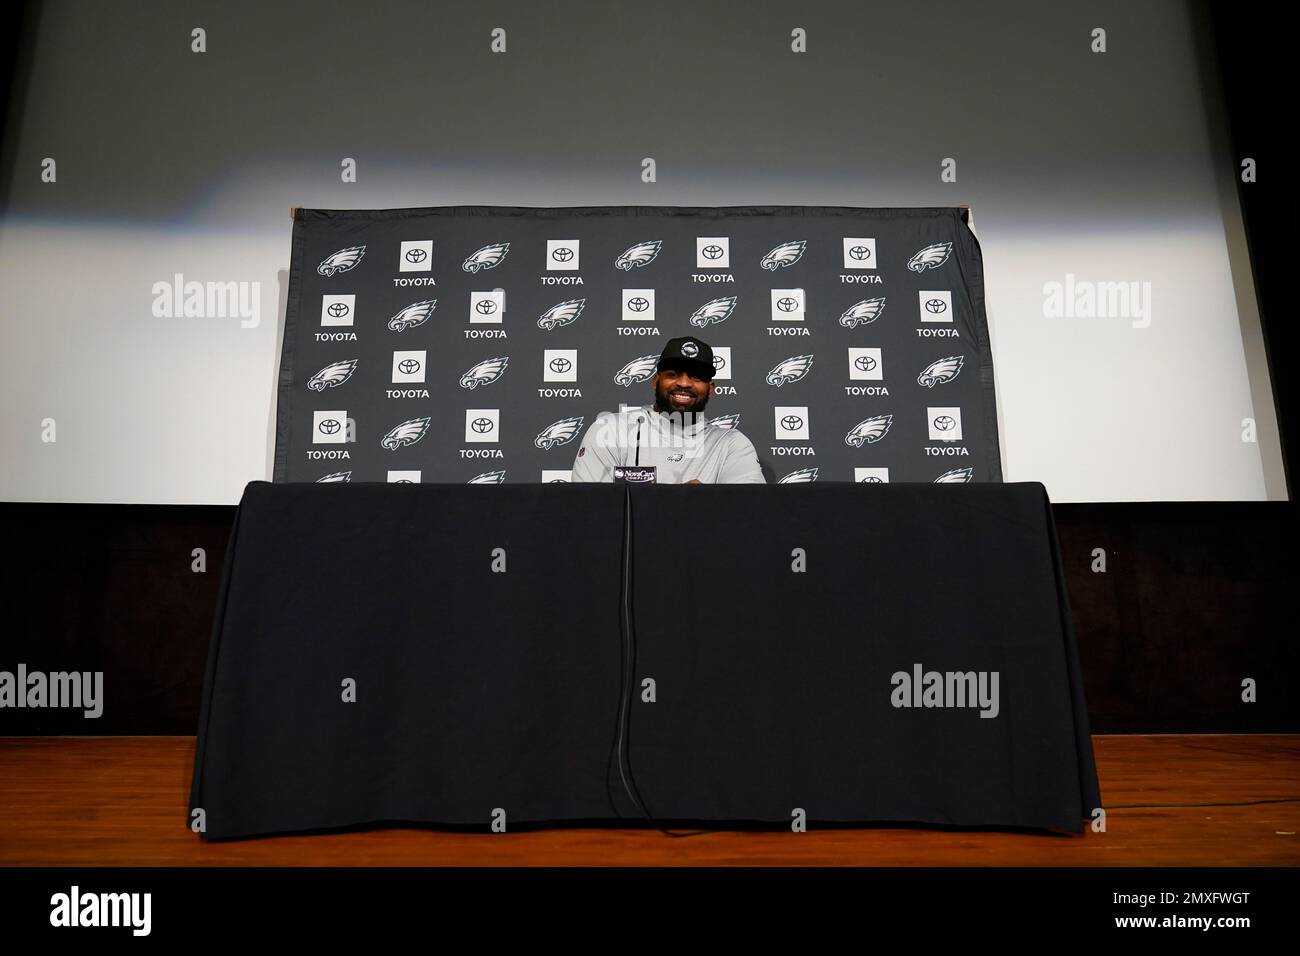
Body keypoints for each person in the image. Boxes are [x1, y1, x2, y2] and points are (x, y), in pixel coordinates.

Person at [570, 336, 765, 484]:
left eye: (696, 377)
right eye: (673, 374)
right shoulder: (611, 431)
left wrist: (709, 503)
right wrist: (677, 504)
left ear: (711, 389)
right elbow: (588, 508)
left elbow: (748, 514)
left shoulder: (731, 444)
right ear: (655, 381)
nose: (684, 383)